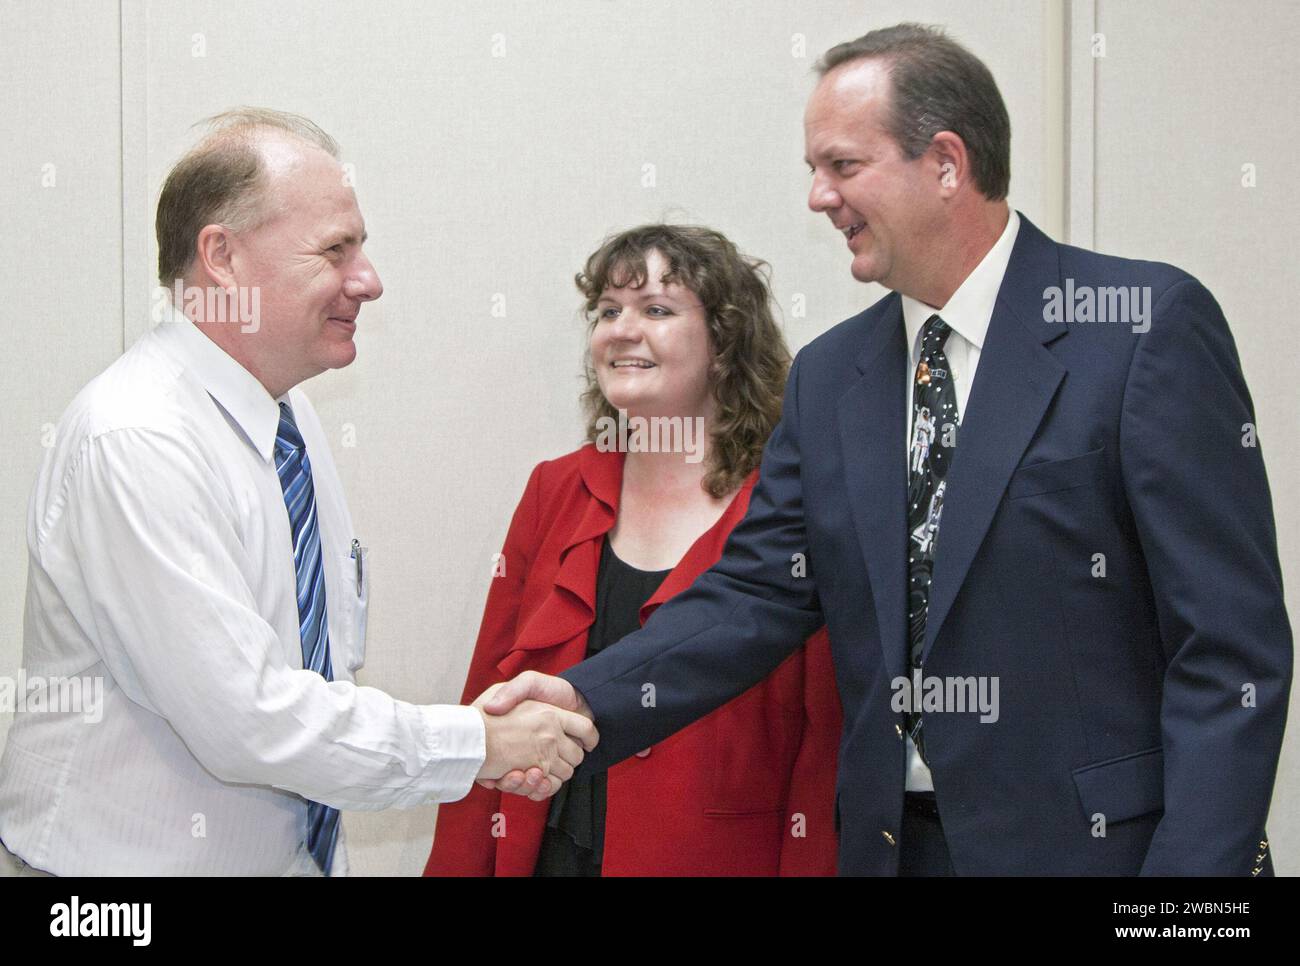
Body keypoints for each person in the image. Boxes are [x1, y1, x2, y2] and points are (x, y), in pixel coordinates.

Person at [483, 24, 1292, 876]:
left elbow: (1229, 654)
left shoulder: (1137, 327)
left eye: (842, 166)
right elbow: (754, 596)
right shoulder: (833, 377)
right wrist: (582, 697)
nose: (818, 198)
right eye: (812, 171)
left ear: (945, 163)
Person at [0, 108, 595, 876]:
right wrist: (476, 743)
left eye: (363, 249)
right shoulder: (138, 438)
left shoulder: (288, 415)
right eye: (334, 251)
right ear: (223, 256)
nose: (368, 281)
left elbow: (317, 672)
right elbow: (247, 720)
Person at [425, 225, 840, 876]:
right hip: (551, 852)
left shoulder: (789, 511)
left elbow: (822, 750)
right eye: (608, 310)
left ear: (725, 344)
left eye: (657, 310)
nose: (621, 329)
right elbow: (489, 700)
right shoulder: (555, 491)